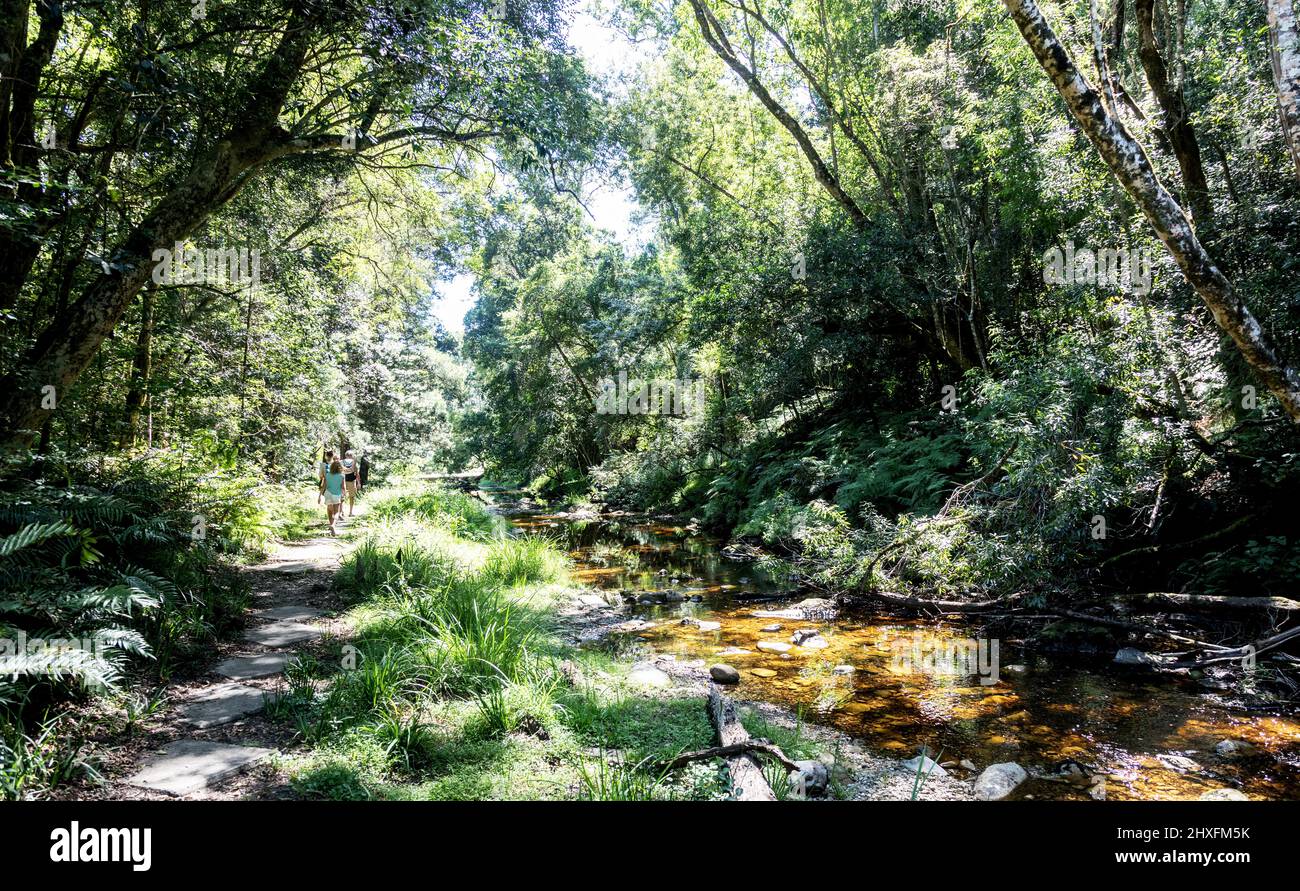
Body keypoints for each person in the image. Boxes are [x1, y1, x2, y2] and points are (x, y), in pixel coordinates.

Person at [319, 458, 346, 536]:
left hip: (328, 494)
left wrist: (320, 496)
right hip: (336, 495)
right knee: (337, 512)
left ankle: (331, 527)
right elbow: (343, 487)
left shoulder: (327, 475)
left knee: (329, 510)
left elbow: (324, 486)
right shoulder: (341, 476)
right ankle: (333, 525)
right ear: (340, 468)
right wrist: (344, 495)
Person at [341, 449, 361, 516]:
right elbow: (357, 473)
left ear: (346, 455)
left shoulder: (342, 462)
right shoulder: (354, 463)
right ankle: (350, 512)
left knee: (342, 497)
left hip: (342, 481)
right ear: (352, 456)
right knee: (352, 497)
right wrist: (358, 483)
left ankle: (342, 512)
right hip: (352, 481)